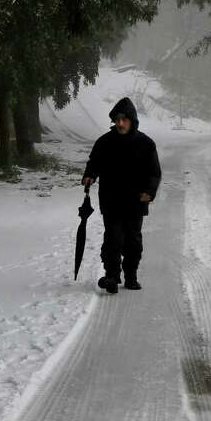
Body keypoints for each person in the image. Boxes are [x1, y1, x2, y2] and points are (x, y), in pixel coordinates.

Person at [81, 97, 161, 294]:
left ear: (132, 121)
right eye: (117, 119)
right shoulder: (104, 142)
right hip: (111, 199)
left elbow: (154, 172)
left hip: (136, 200)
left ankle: (131, 276)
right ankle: (112, 276)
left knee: (132, 240)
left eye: (124, 119)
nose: (120, 123)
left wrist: (149, 192)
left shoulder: (146, 144)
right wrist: (89, 175)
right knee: (113, 238)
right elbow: (94, 163)